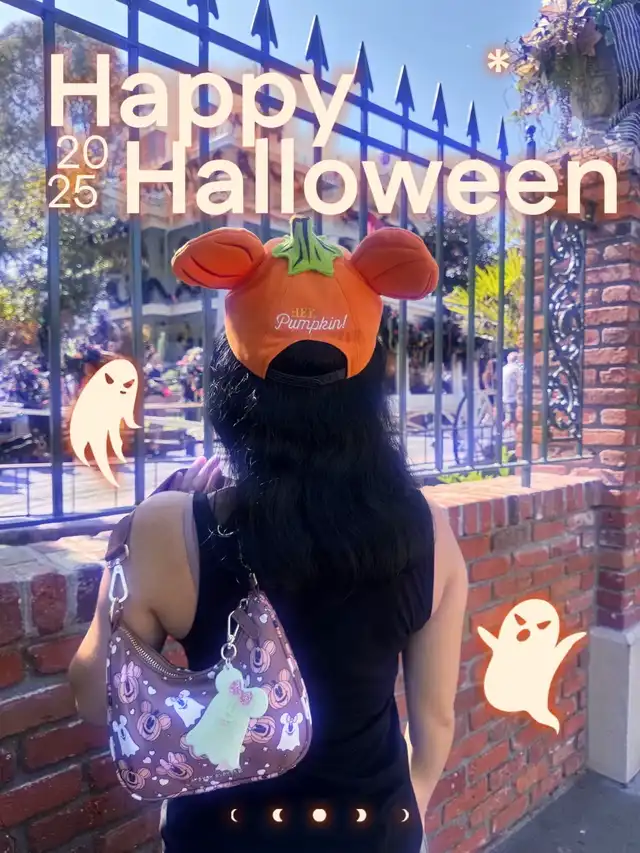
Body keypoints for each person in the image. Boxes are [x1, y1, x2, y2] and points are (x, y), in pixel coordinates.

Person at [68, 219, 468, 853]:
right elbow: (436, 719)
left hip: (220, 835)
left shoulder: (165, 528)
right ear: (368, 378)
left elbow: (96, 699)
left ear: (230, 378)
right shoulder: (430, 530)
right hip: (375, 827)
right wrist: (407, 813)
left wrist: (128, 548)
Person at [502, 351, 521, 428]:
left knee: (515, 419)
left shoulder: (504, 368)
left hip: (505, 398)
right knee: (511, 419)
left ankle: (516, 434)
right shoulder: (516, 369)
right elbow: (521, 382)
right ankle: (499, 431)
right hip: (513, 398)